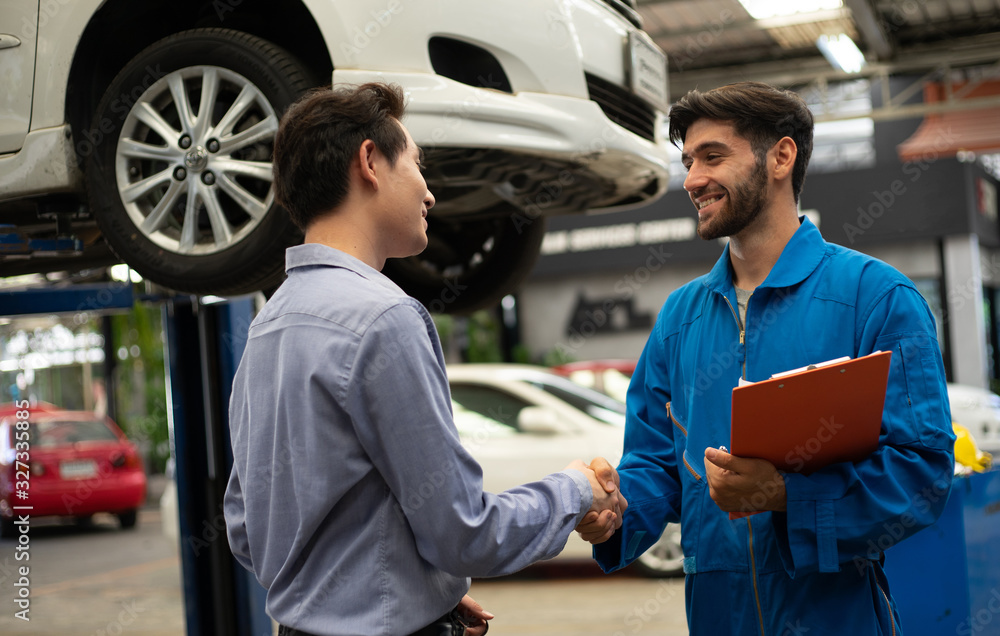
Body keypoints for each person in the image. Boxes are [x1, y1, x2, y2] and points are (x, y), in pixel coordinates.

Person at [223, 82, 625, 636]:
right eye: (417, 164)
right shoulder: (385, 318)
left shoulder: (268, 326)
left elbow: (245, 527)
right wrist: (577, 487)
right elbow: (465, 534)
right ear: (369, 161)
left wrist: (413, 590)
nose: (429, 193)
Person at [576, 82, 955, 635]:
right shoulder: (680, 319)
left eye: (713, 156)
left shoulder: (875, 299)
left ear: (781, 156)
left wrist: (786, 496)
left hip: (836, 616)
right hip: (716, 618)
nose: (692, 180)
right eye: (687, 162)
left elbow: (922, 472)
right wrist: (615, 511)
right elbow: (656, 464)